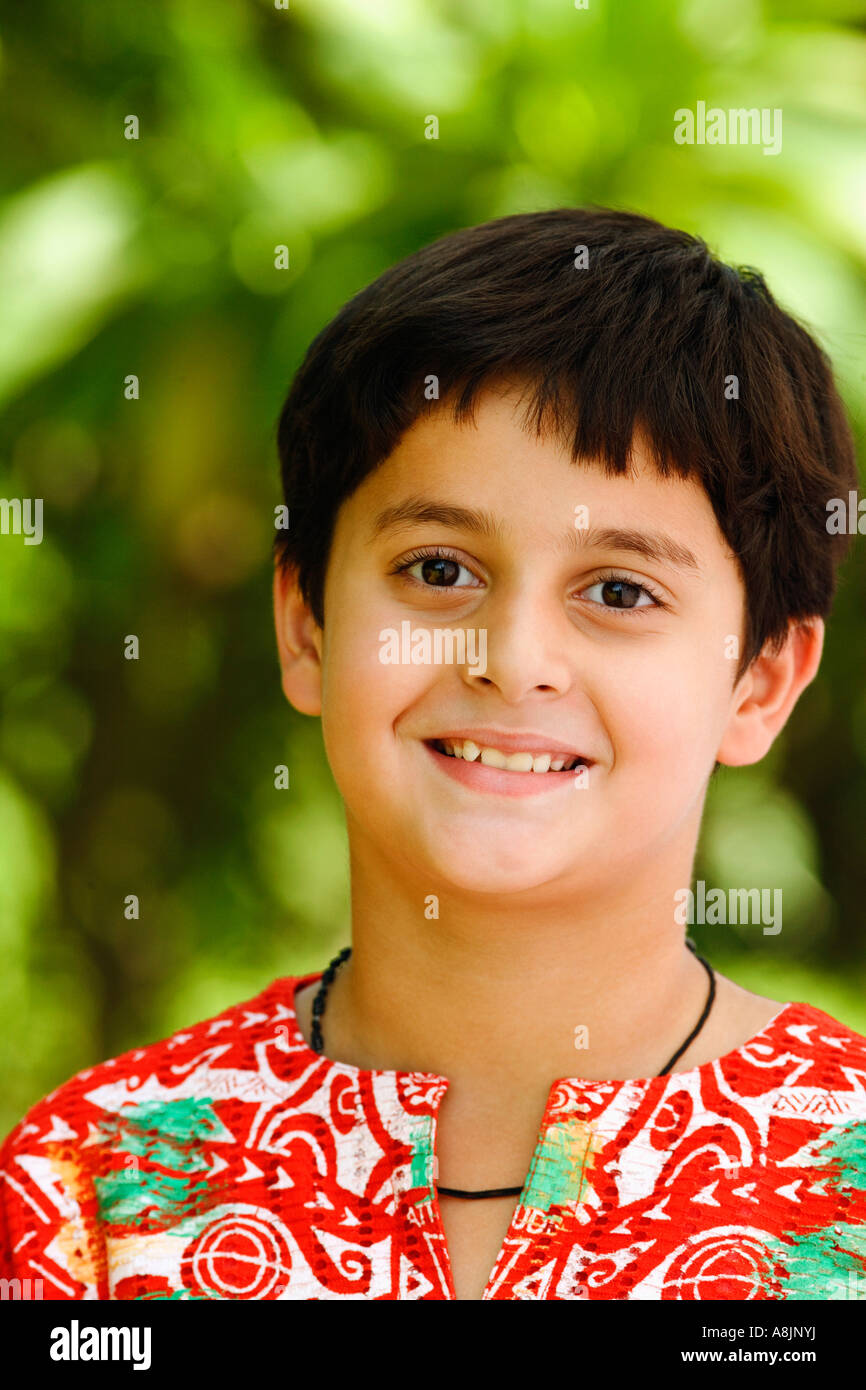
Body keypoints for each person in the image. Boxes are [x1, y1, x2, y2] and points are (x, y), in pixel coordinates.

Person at [2, 207, 865, 1302]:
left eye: (617, 591)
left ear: (760, 681)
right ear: (305, 625)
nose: (513, 662)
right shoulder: (89, 1194)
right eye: (438, 570)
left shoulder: (845, 1183)